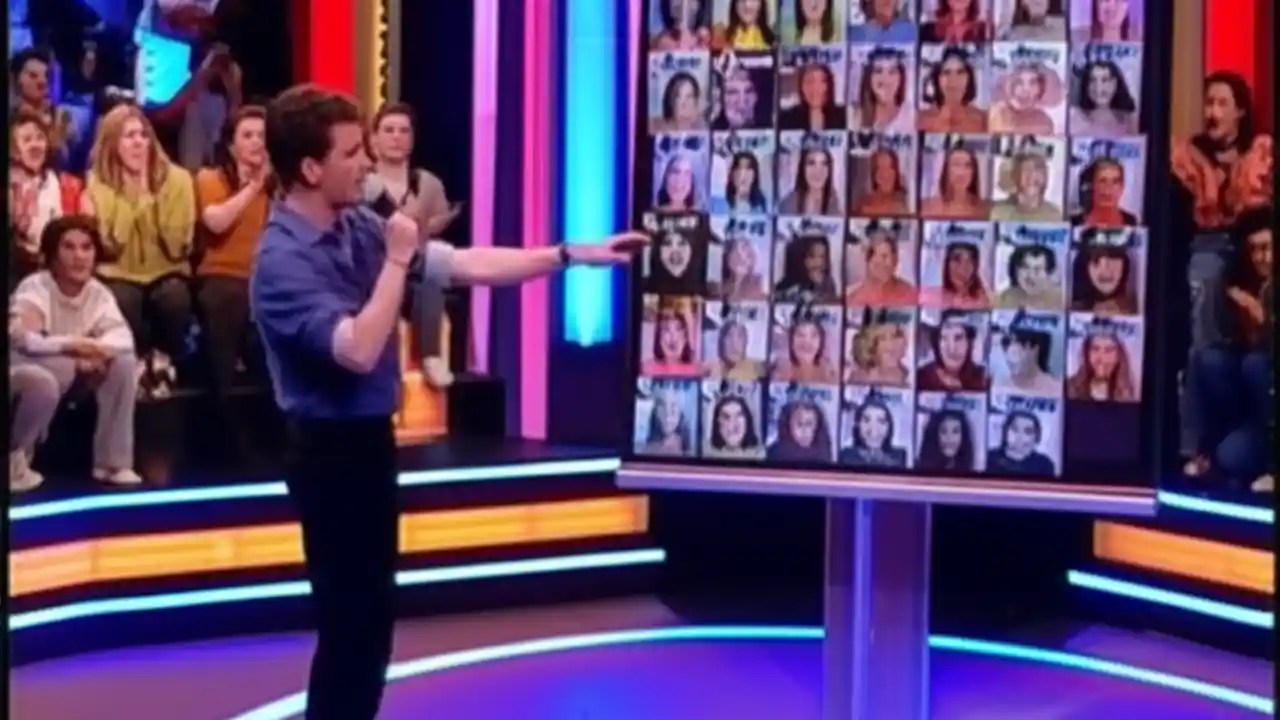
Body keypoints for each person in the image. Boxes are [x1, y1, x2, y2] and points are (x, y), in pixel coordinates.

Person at [248, 84, 645, 720]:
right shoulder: (281, 260)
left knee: (372, 625)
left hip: (370, 444)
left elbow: (462, 264)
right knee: (349, 624)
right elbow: (357, 346)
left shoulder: (356, 224)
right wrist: (396, 259)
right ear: (310, 169)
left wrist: (571, 255)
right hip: (326, 453)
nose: (369, 166)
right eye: (353, 153)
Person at [9, 215, 141, 491]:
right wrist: (72, 346)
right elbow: (24, 339)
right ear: (53, 255)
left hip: (75, 375)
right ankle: (15, 460)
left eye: (86, 247)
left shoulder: (98, 293)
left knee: (123, 362)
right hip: (25, 372)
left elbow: (123, 338)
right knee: (53, 372)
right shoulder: (36, 286)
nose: (78, 256)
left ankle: (112, 463)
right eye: (68, 247)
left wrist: (93, 349)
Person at [84, 103, 196, 401]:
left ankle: (162, 358)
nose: (138, 142)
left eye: (142, 135)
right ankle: (132, 365)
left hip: (167, 269)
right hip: (117, 270)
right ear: (112, 144)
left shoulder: (178, 180)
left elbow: (178, 245)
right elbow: (109, 245)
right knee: (123, 299)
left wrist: (150, 192)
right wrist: (133, 196)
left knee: (173, 297)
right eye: (128, 136)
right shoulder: (98, 185)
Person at [194, 105, 274, 462]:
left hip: (264, 279)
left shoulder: (281, 188)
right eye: (248, 135)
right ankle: (222, 435)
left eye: (262, 136)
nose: (257, 142)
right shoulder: (210, 179)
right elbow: (216, 221)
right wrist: (254, 186)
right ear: (230, 145)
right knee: (228, 301)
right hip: (221, 276)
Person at [364, 102, 461, 388]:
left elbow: (437, 224)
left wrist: (432, 225)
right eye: (389, 130)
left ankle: (431, 357)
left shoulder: (428, 183)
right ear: (374, 138)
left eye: (403, 131)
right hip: (372, 270)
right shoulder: (362, 182)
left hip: (414, 270)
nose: (396, 137)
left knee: (431, 273)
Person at [9, 112, 88, 290]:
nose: (35, 145)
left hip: (60, 265)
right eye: (27, 140)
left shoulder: (63, 183)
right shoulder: (12, 186)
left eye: (39, 138)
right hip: (20, 268)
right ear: (14, 150)